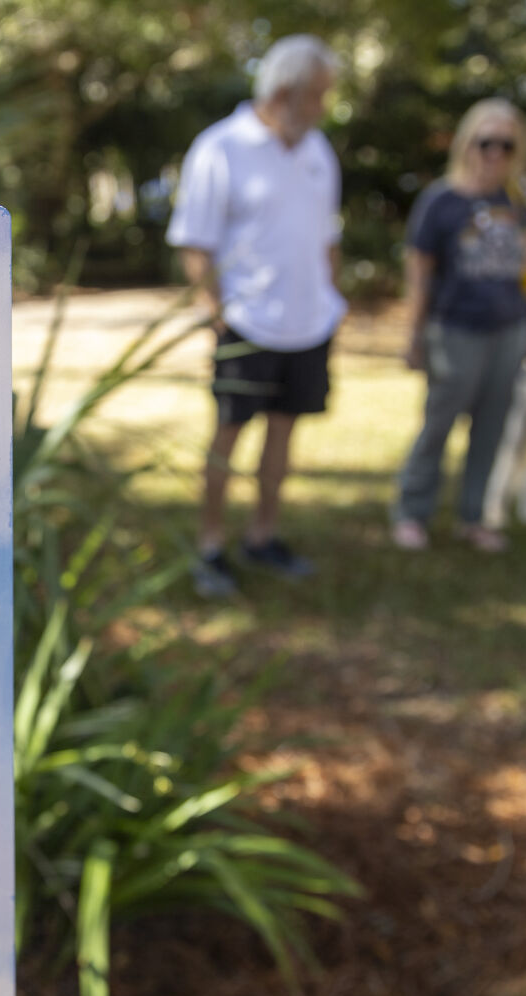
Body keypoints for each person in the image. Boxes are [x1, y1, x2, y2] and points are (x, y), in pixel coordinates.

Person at [166, 35, 346, 597]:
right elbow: (194, 243)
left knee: (284, 432)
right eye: (318, 95)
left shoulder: (319, 151)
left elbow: (328, 236)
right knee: (228, 434)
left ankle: (262, 537)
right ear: (286, 92)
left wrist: (330, 297)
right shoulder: (220, 148)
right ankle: (210, 546)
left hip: (309, 323)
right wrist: (218, 315)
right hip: (247, 326)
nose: (323, 107)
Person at [392, 98, 526, 552]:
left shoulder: (516, 200)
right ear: (467, 143)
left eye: (506, 144)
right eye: (486, 142)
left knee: (493, 427)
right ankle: (412, 511)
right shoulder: (440, 200)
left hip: (509, 328)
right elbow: (418, 274)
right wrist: (413, 334)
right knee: (438, 423)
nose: (495, 153)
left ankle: (475, 515)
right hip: (455, 328)